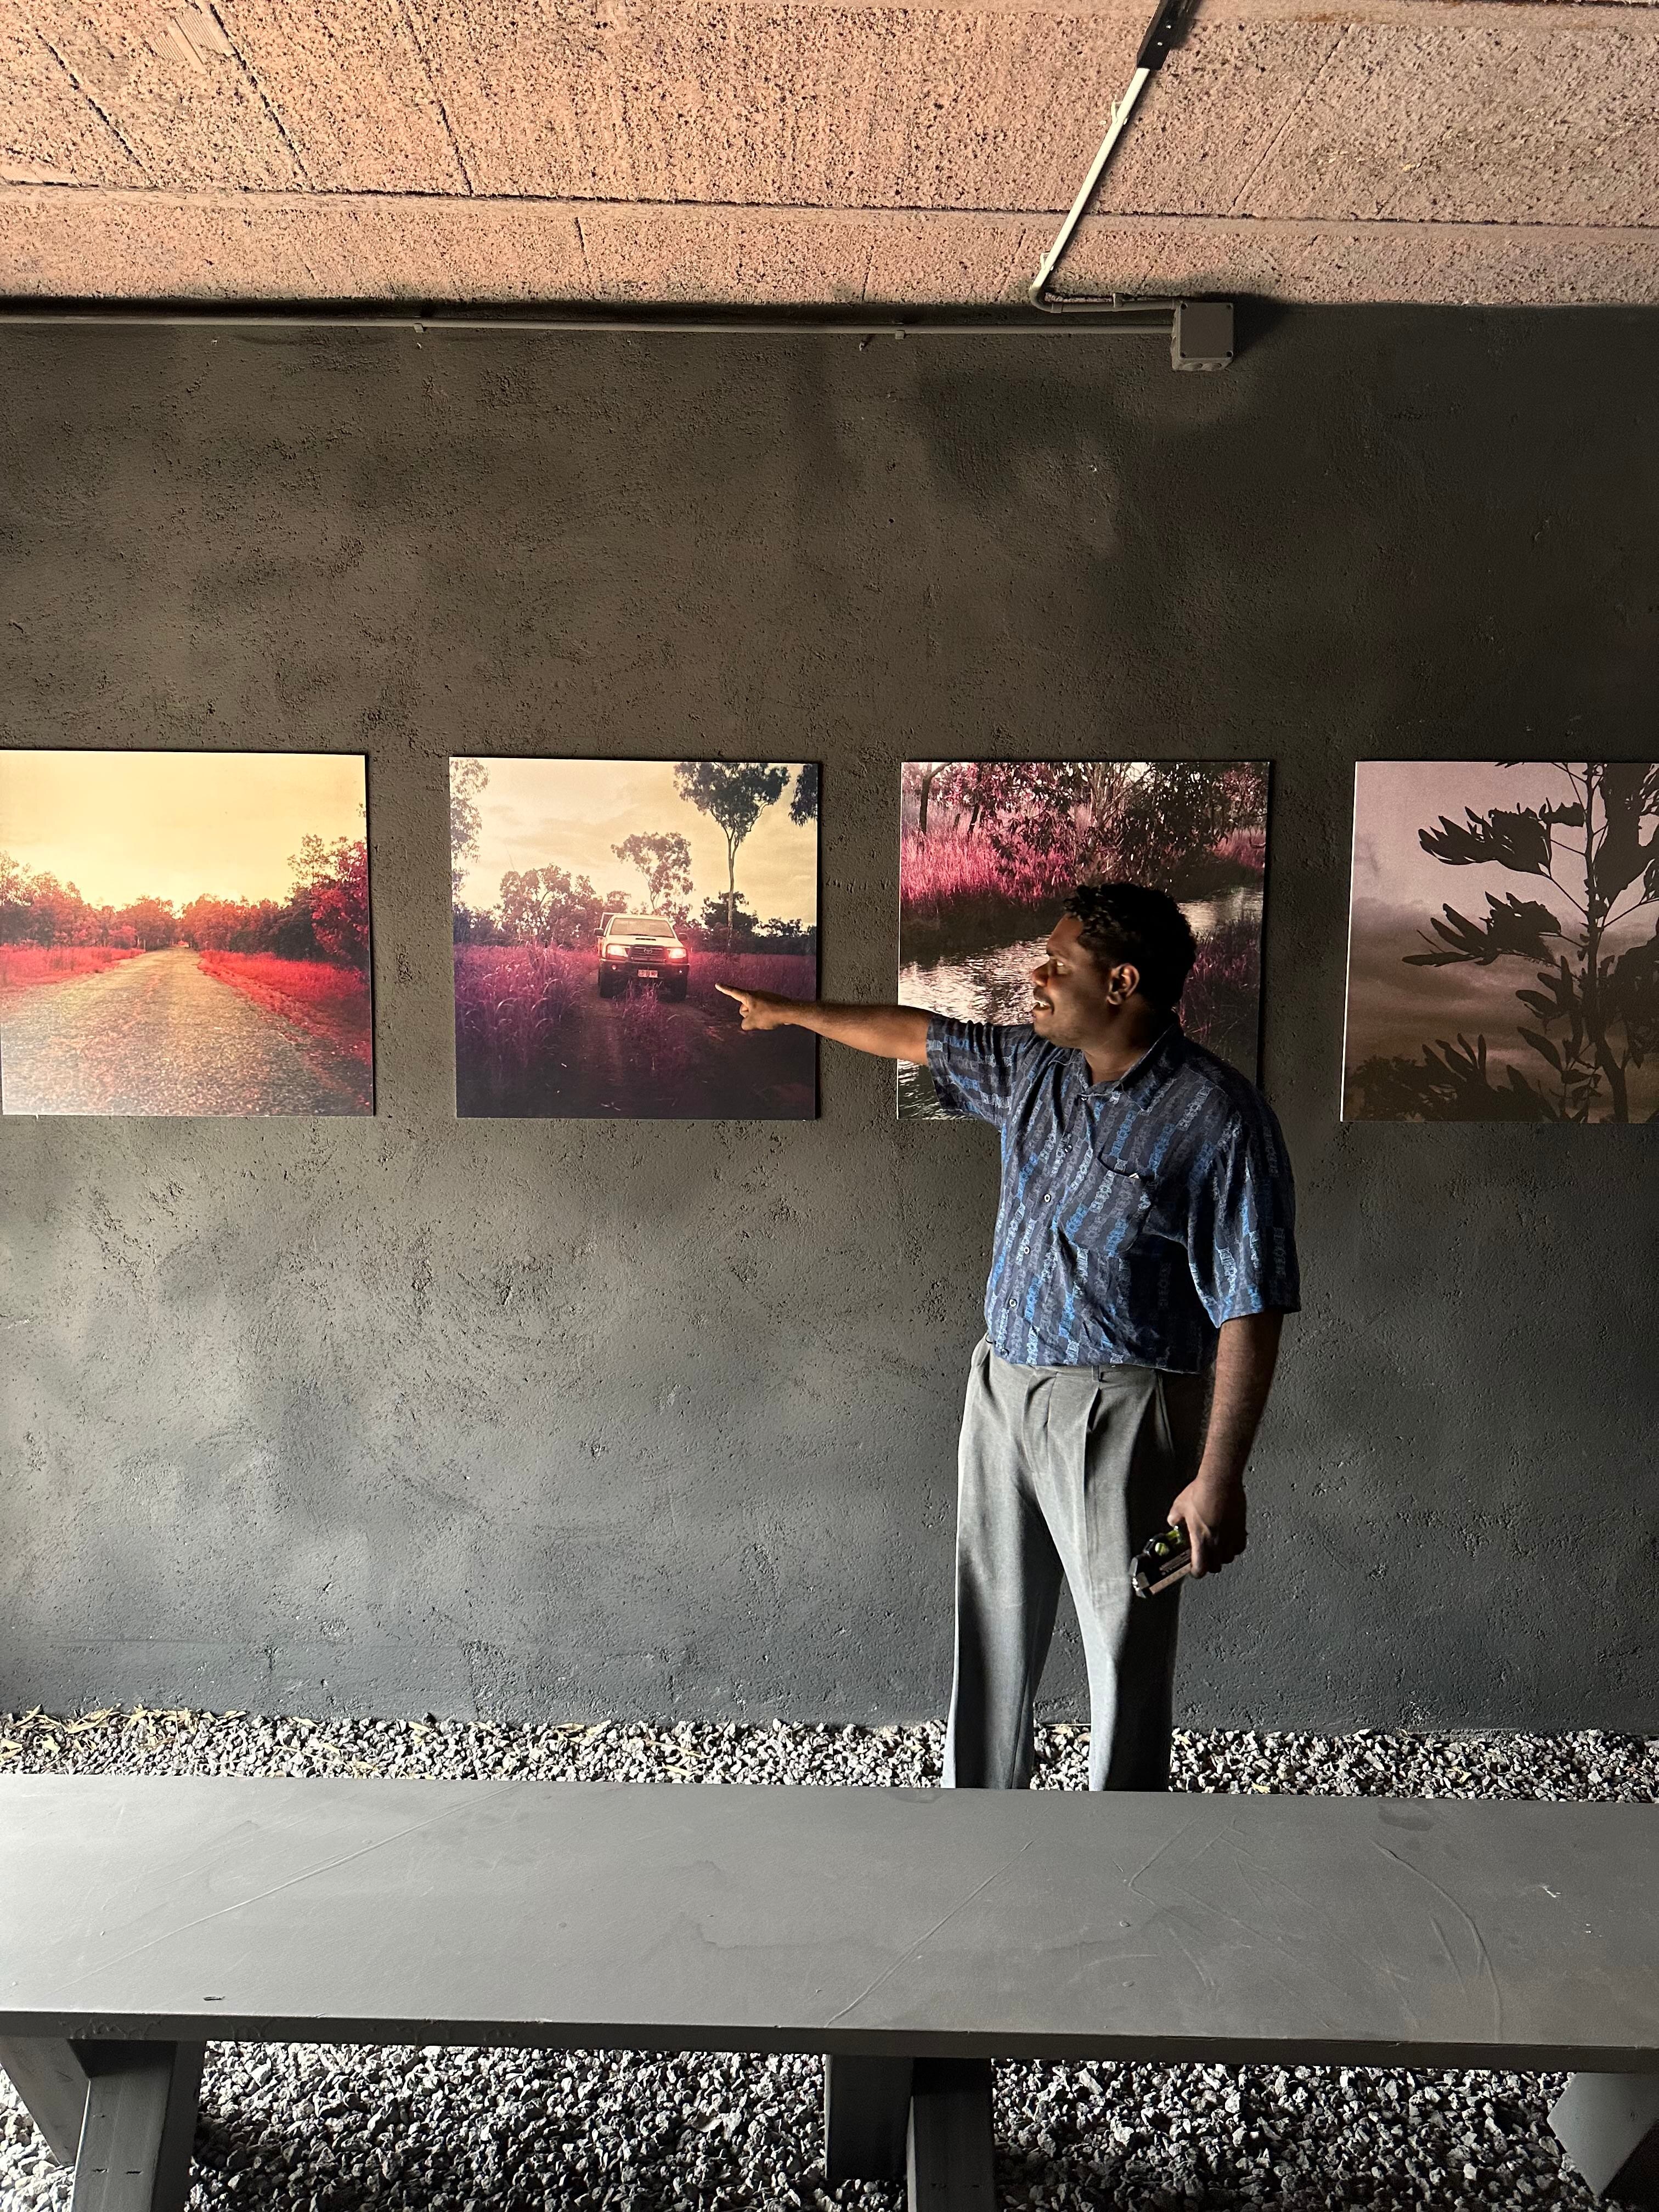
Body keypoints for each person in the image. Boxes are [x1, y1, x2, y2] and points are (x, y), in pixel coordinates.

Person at [716, 880, 1298, 1793]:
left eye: (1058, 964)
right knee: (988, 1629)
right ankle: (979, 1824)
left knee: (1125, 1648)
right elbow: (914, 1035)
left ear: (1122, 983)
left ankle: (1123, 1839)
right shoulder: (1034, 1069)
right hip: (1001, 1388)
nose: (1037, 976)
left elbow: (1250, 1308)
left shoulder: (1218, 1118)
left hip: (1119, 1407)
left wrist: (1218, 1476)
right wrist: (789, 1012)